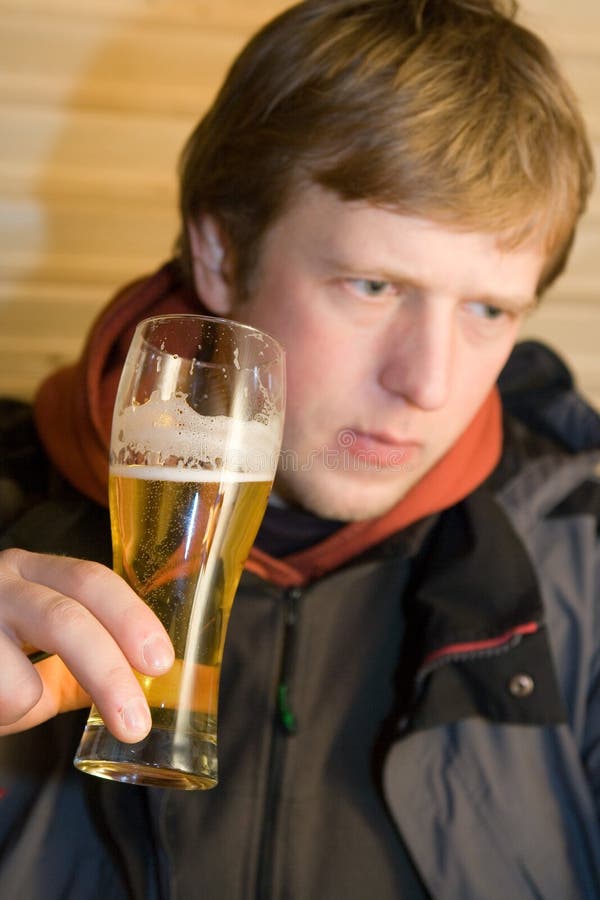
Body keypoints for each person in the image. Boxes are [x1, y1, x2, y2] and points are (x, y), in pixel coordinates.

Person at [0, 0, 599, 896]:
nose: (429, 384)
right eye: (372, 284)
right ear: (219, 253)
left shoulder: (582, 564)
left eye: (488, 310)